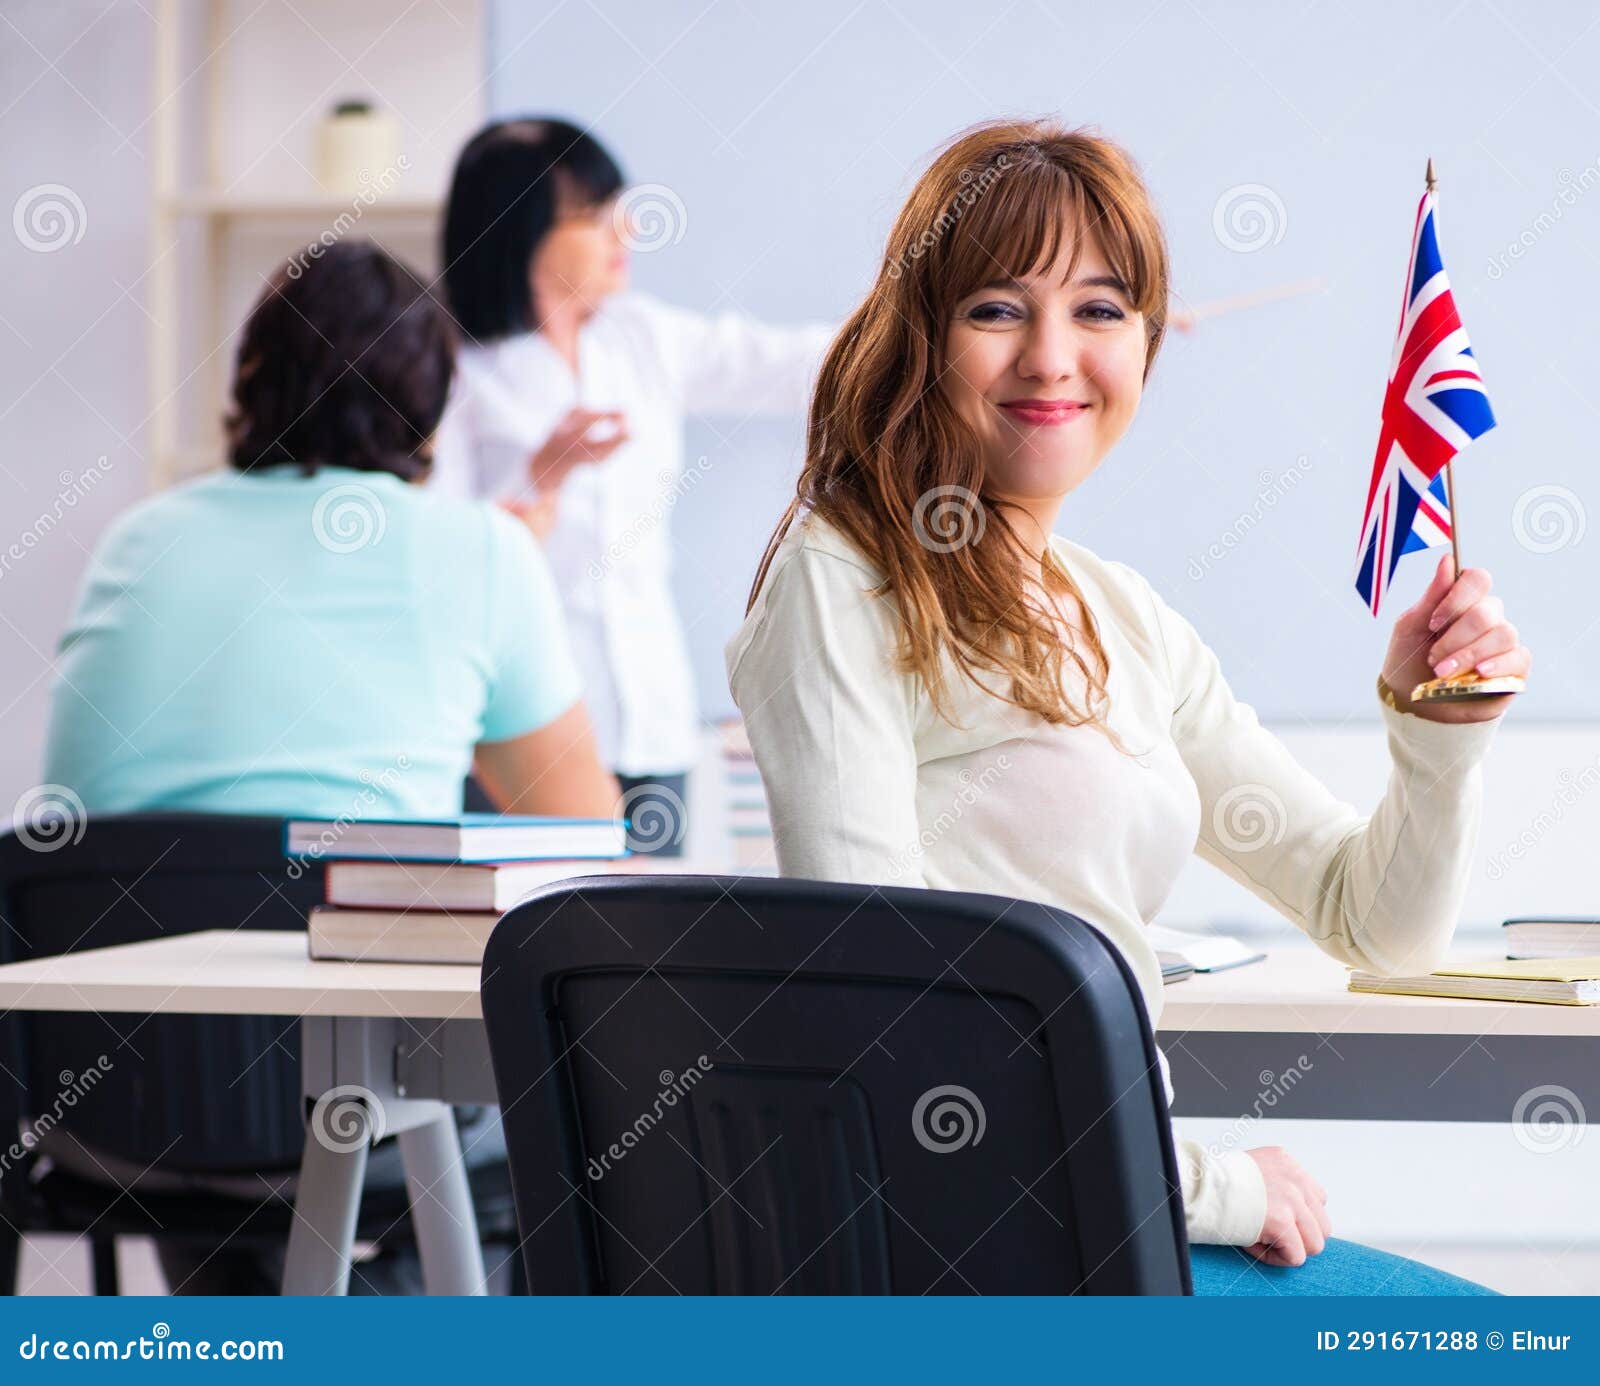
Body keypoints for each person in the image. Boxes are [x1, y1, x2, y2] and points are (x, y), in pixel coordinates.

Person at [725, 119, 1527, 1295]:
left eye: (1099, 310)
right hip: (987, 1251)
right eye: (995, 309)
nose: (1052, 357)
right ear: (921, 337)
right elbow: (883, 1004)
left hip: (1116, 1215)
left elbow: (1375, 924)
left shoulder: (1120, 616)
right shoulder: (841, 574)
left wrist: (1435, 738)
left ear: (1147, 343)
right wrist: (1214, 1189)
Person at [42, 238, 618, 1292]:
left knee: (228, 1057)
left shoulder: (137, 541)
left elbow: (93, 830)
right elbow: (586, 835)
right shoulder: (482, 552)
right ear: (431, 407)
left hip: (108, 1113)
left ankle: (257, 1339)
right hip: (358, 1113)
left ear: (249, 383)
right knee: (545, 1106)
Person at [431, 117, 835, 855]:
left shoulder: (640, 337)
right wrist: (540, 475)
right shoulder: (456, 373)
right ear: (519, 230)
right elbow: (444, 559)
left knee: (649, 922)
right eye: (593, 215)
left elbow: (782, 364)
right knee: (527, 921)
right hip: (527, 730)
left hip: (651, 716)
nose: (626, 231)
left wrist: (931, 331)